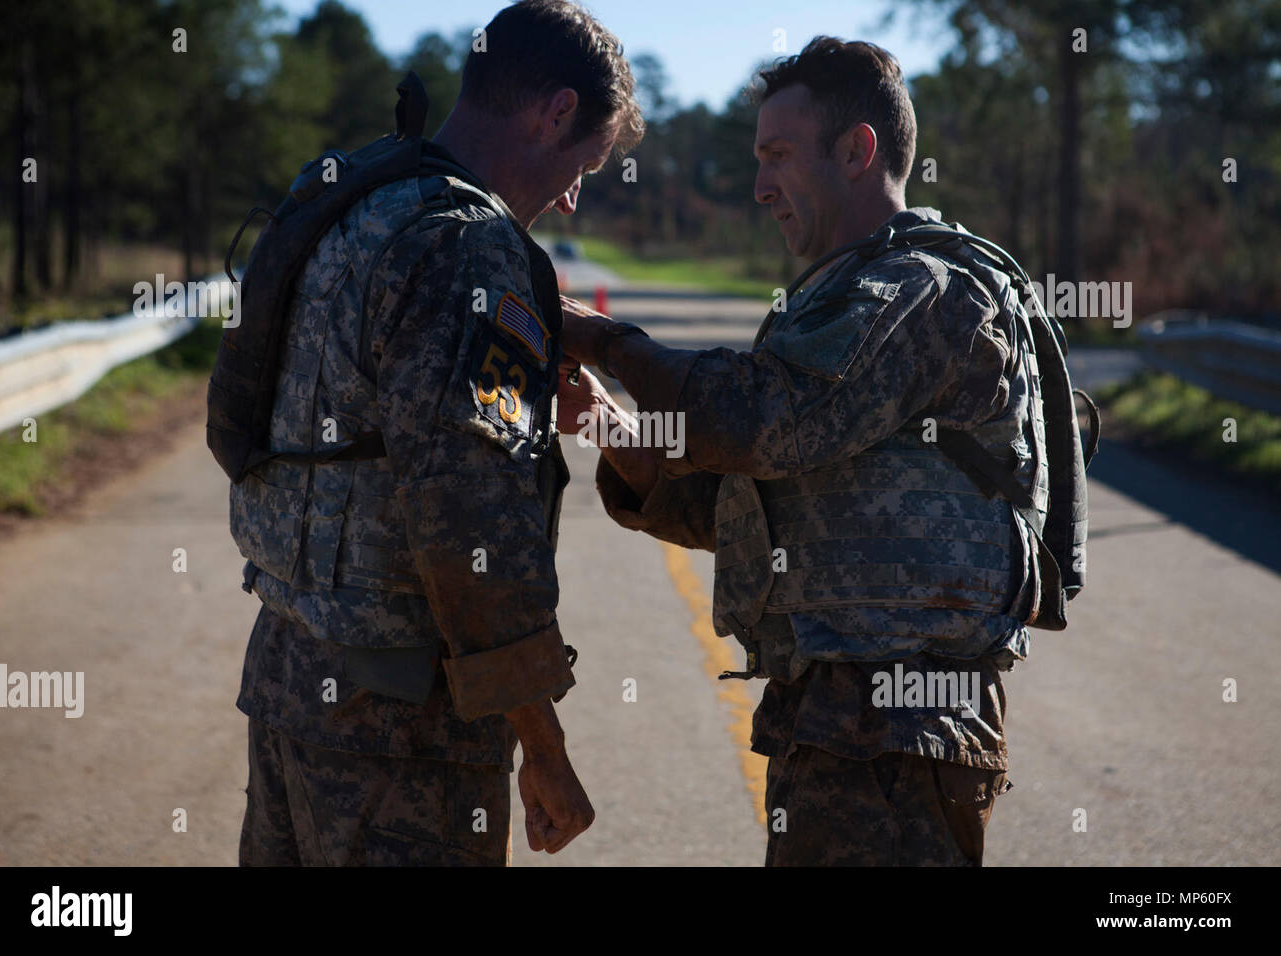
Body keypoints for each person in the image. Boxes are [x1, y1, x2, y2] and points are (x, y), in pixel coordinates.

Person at [558, 37, 1051, 866]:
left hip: (897, 733)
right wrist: (606, 422)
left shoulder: (917, 295)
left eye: (778, 156)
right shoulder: (842, 301)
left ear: (858, 151)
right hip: (841, 725)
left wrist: (605, 338)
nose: (758, 187)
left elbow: (761, 424)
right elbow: (748, 505)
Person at [230, 0, 643, 866]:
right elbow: (470, 526)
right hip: (401, 738)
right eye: (585, 165)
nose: (572, 197)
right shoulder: (469, 248)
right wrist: (545, 742)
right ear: (555, 111)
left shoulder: (354, 198)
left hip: (285, 686)